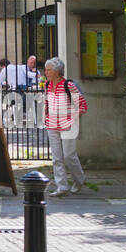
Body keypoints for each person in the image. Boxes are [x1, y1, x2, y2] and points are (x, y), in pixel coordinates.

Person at [44, 56, 87, 197]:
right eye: (46, 70)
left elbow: (82, 105)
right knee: (57, 158)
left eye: (49, 70)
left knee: (69, 156)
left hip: (68, 125)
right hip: (52, 124)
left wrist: (73, 118)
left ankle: (79, 180)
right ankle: (61, 187)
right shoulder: (47, 85)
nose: (46, 72)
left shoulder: (68, 85)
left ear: (57, 71)